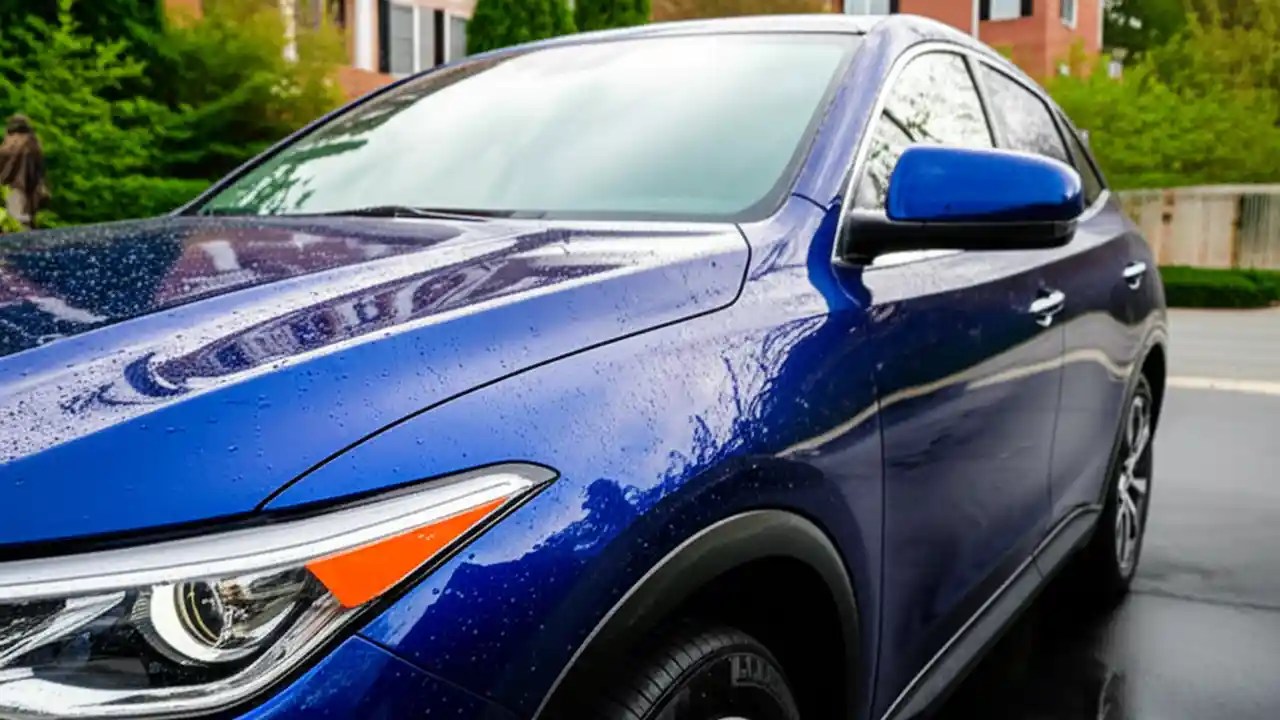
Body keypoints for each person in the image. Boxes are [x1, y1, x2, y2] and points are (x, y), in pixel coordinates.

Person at [0, 115, 50, 230]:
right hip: (28, 188)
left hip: (9, 188)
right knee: (23, 221)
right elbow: (39, 167)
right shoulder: (32, 142)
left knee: (13, 221)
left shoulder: (7, 143)